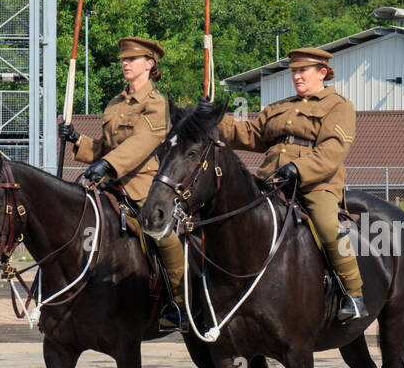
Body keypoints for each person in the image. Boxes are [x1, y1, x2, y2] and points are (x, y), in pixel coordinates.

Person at [217, 47, 366, 322]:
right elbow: (251, 134)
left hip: (315, 182)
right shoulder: (280, 106)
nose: (296, 76)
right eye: (294, 71)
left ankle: (354, 293)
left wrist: (298, 168)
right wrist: (215, 120)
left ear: (322, 72)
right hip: (270, 178)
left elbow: (333, 150)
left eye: (303, 71)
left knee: (328, 226)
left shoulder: (338, 105)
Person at [58, 37, 186, 334]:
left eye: (133, 59)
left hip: (142, 186)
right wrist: (78, 140)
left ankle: (179, 302)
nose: (126, 64)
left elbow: (142, 144)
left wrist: (107, 165)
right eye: (124, 60)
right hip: (108, 183)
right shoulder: (116, 103)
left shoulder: (157, 104)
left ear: (150, 64)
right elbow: (107, 148)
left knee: (161, 235)